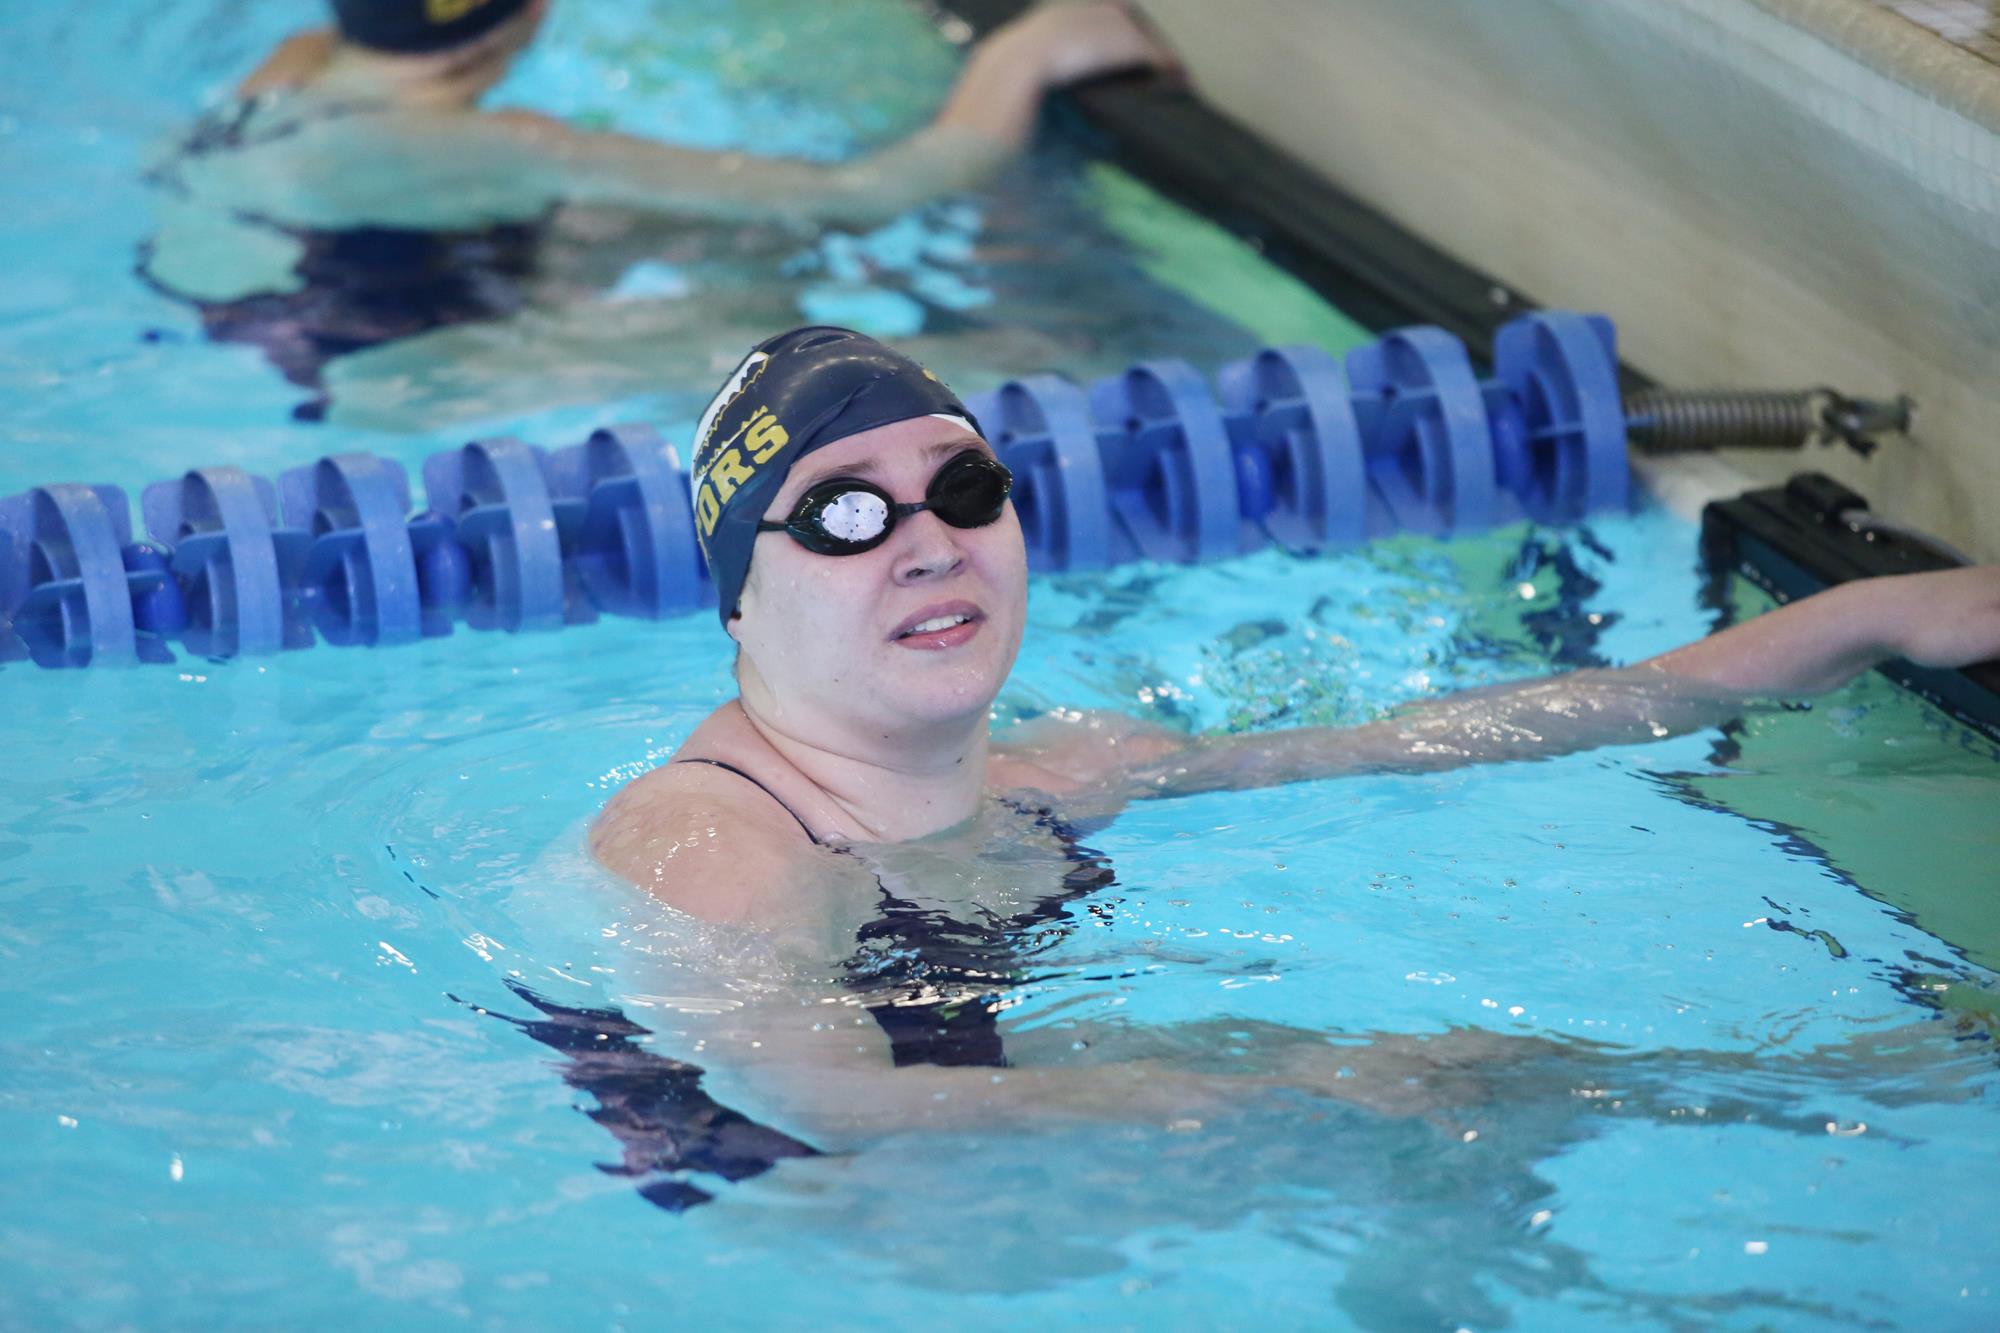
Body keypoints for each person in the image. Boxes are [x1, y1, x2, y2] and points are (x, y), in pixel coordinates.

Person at [579, 324, 2000, 1149]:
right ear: (738, 603)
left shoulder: (1051, 770)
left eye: (965, 484)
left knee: (1459, 1094)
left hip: (972, 1118)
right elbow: (836, 1114)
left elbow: (1438, 738)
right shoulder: (712, 847)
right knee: (1451, 1093)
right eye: (843, 512)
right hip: (792, 1211)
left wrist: (1862, 620)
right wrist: (1283, 1088)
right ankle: (1904, 1088)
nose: (931, 543)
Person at [138, 0, 1180, 420]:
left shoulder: (295, 69)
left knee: (737, 231)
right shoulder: (495, 149)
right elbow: (870, 192)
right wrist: (1024, 52)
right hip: (420, 376)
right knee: (894, 374)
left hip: (299, 319)